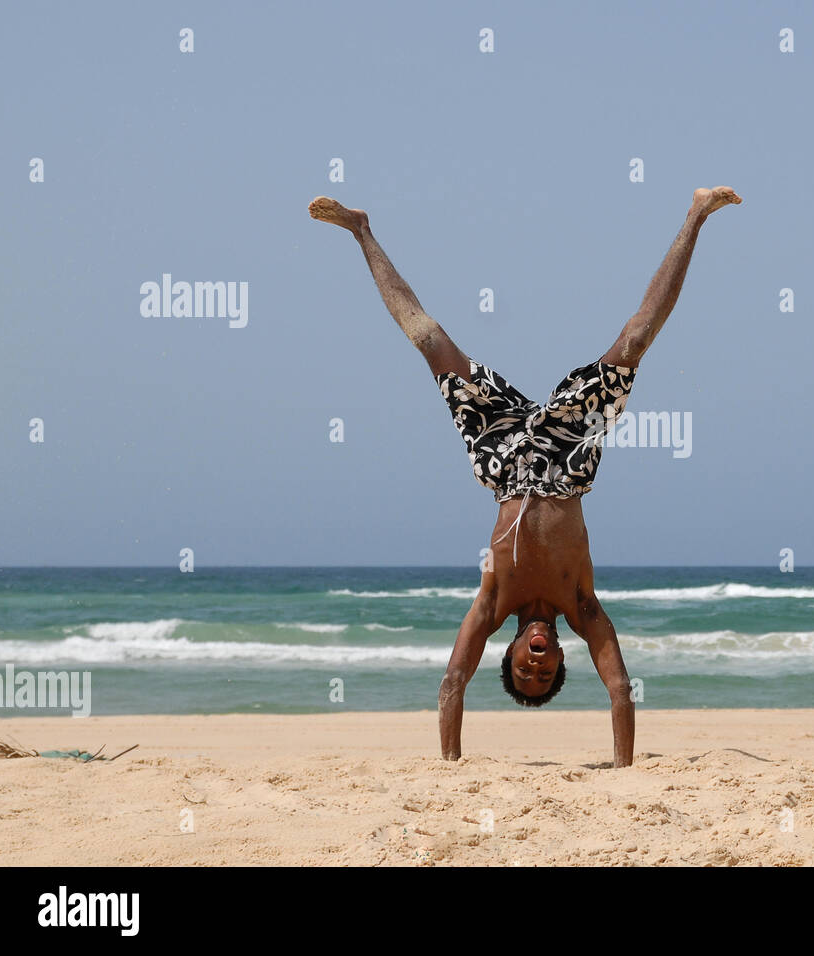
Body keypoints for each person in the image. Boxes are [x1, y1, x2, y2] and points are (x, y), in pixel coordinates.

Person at [308, 186, 741, 767]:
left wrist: (451, 765)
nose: (535, 666)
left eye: (523, 671)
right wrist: (623, 768)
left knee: (430, 343)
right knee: (635, 341)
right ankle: (696, 215)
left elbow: (452, 682)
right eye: (545, 673)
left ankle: (361, 230)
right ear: (562, 658)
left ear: (509, 651)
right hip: (567, 460)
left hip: (505, 463)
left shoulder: (492, 604)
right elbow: (619, 687)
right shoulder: (582, 606)